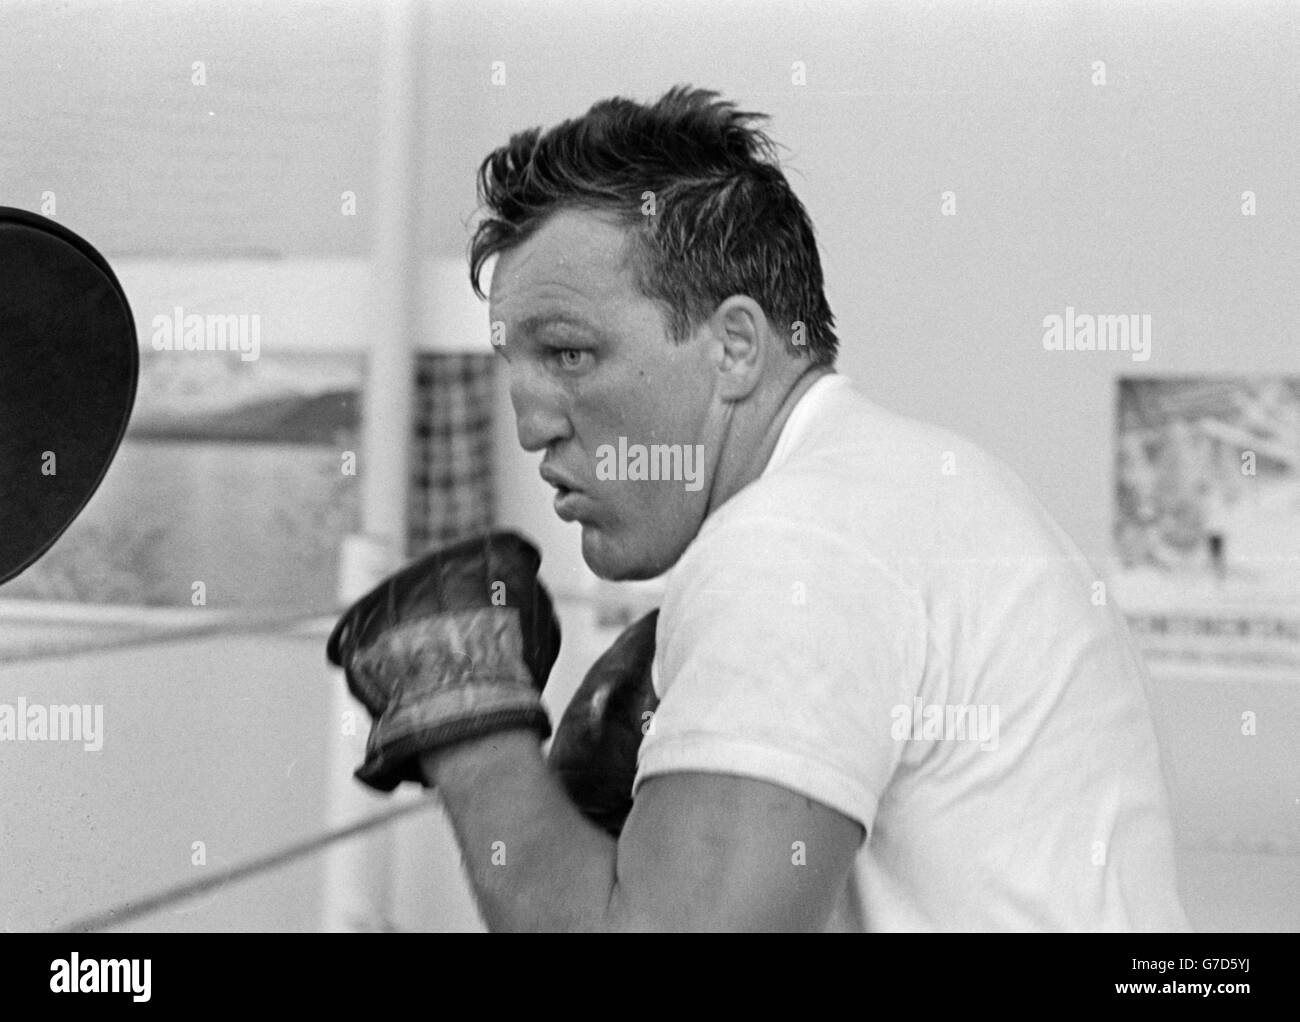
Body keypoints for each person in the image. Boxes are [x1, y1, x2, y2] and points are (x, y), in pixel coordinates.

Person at [332, 86, 1190, 931]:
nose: (530, 424)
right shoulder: (919, 482)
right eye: (513, 363)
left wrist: (469, 727)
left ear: (735, 346)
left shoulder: (794, 551)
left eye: (570, 352)